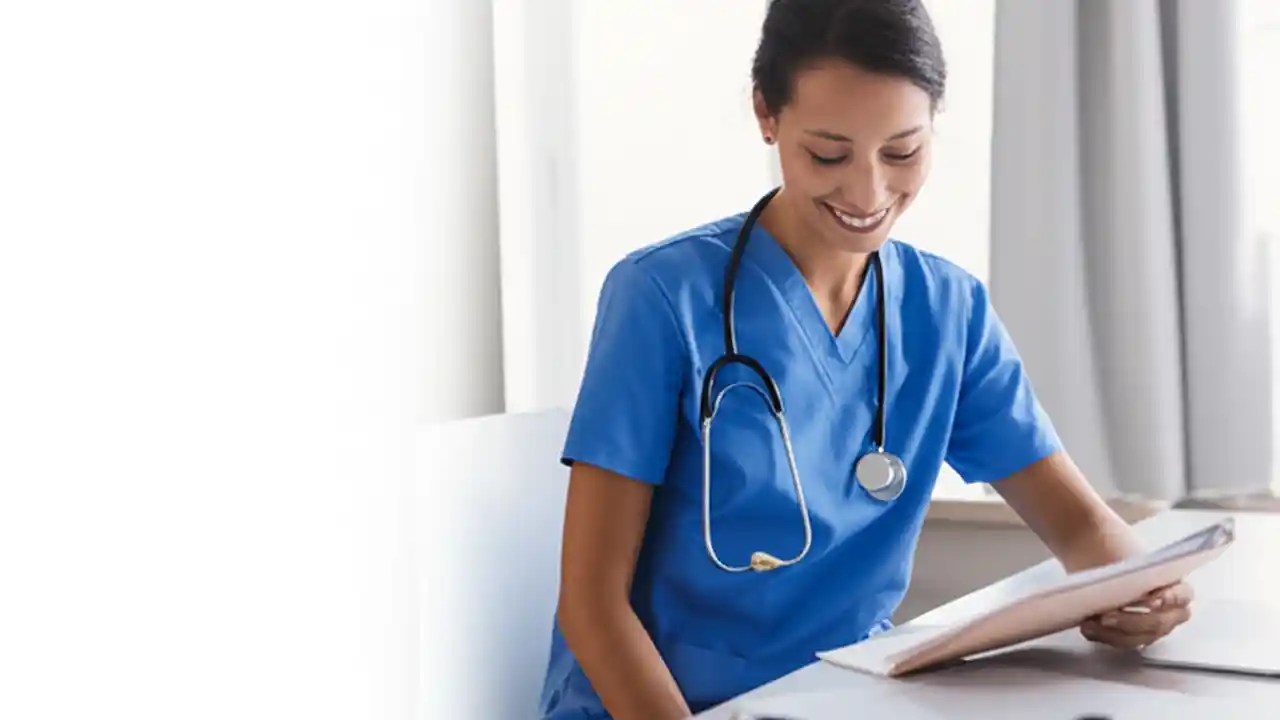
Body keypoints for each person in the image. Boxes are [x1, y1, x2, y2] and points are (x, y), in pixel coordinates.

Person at [539, 1, 1193, 718]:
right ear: (767, 114)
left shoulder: (948, 311)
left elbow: (1080, 527)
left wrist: (1147, 588)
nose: (868, 192)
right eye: (828, 154)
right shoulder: (660, 296)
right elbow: (592, 608)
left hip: (844, 702)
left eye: (903, 152)